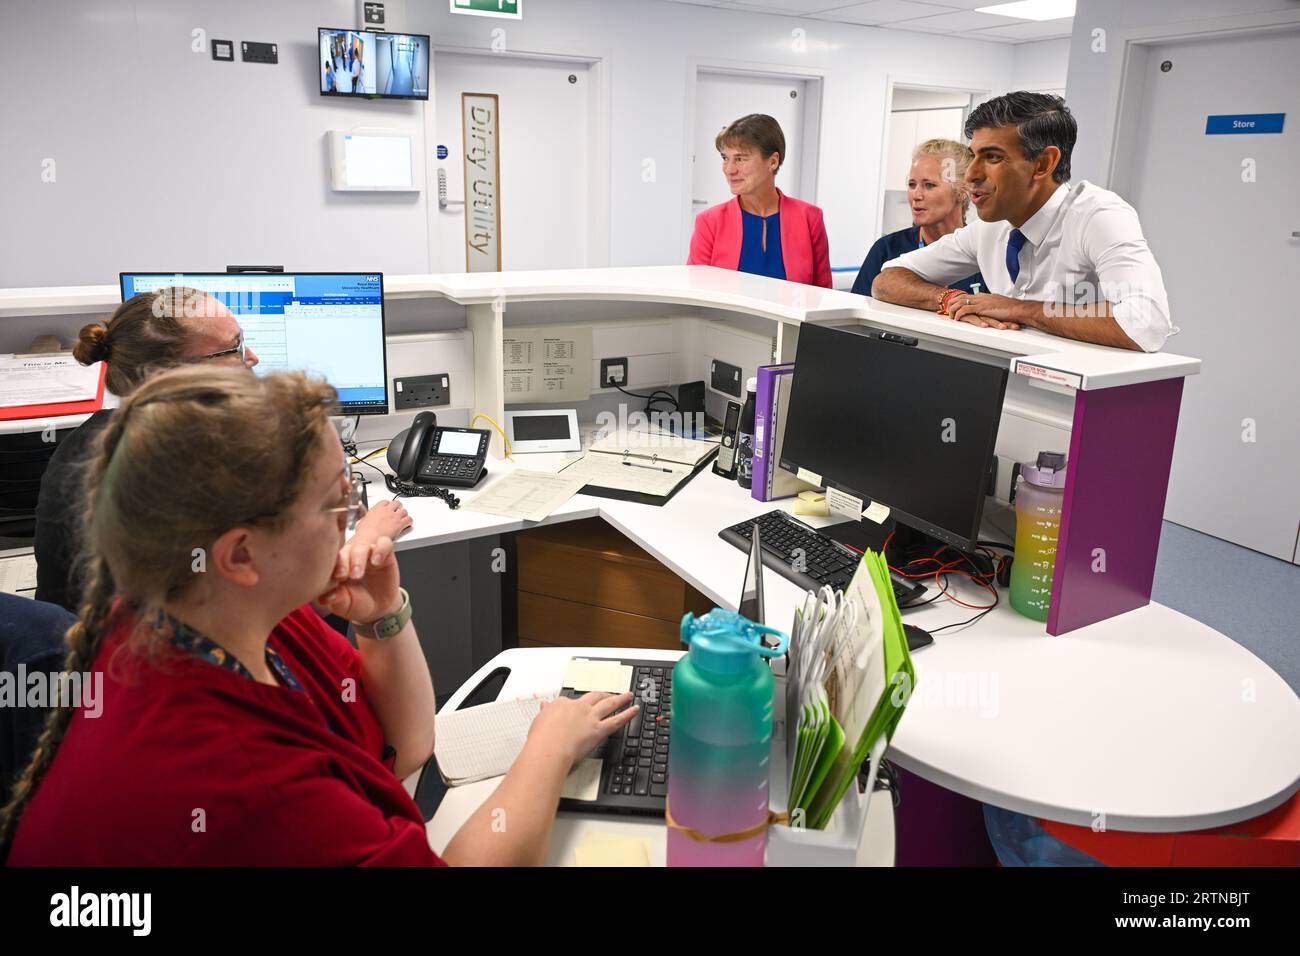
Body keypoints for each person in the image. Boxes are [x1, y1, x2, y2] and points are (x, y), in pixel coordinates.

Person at [3, 366, 638, 865]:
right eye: (339, 499)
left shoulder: (229, 615)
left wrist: (382, 613)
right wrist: (548, 752)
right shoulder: (241, 780)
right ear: (241, 554)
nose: (355, 516)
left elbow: (406, 748)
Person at [33, 287, 410, 613]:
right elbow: (307, 604)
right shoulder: (194, 473)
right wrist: (368, 538)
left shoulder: (87, 440)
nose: (253, 359)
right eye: (233, 349)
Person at [871, 92, 1173, 352]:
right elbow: (888, 280)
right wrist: (950, 298)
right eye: (974, 156)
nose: (971, 174)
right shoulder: (990, 228)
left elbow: (1145, 323)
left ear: (1042, 164)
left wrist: (1018, 309)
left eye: (992, 158)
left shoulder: (1099, 216)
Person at [688, 113, 831, 288]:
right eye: (725, 158)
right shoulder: (710, 222)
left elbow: (823, 296)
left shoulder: (810, 218)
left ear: (773, 161)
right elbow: (695, 296)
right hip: (722, 317)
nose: (729, 169)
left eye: (740, 159)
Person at [852, 138, 984, 297]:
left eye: (929, 185)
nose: (916, 195)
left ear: (963, 191)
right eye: (912, 185)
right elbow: (856, 314)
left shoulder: (984, 254)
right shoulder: (887, 249)